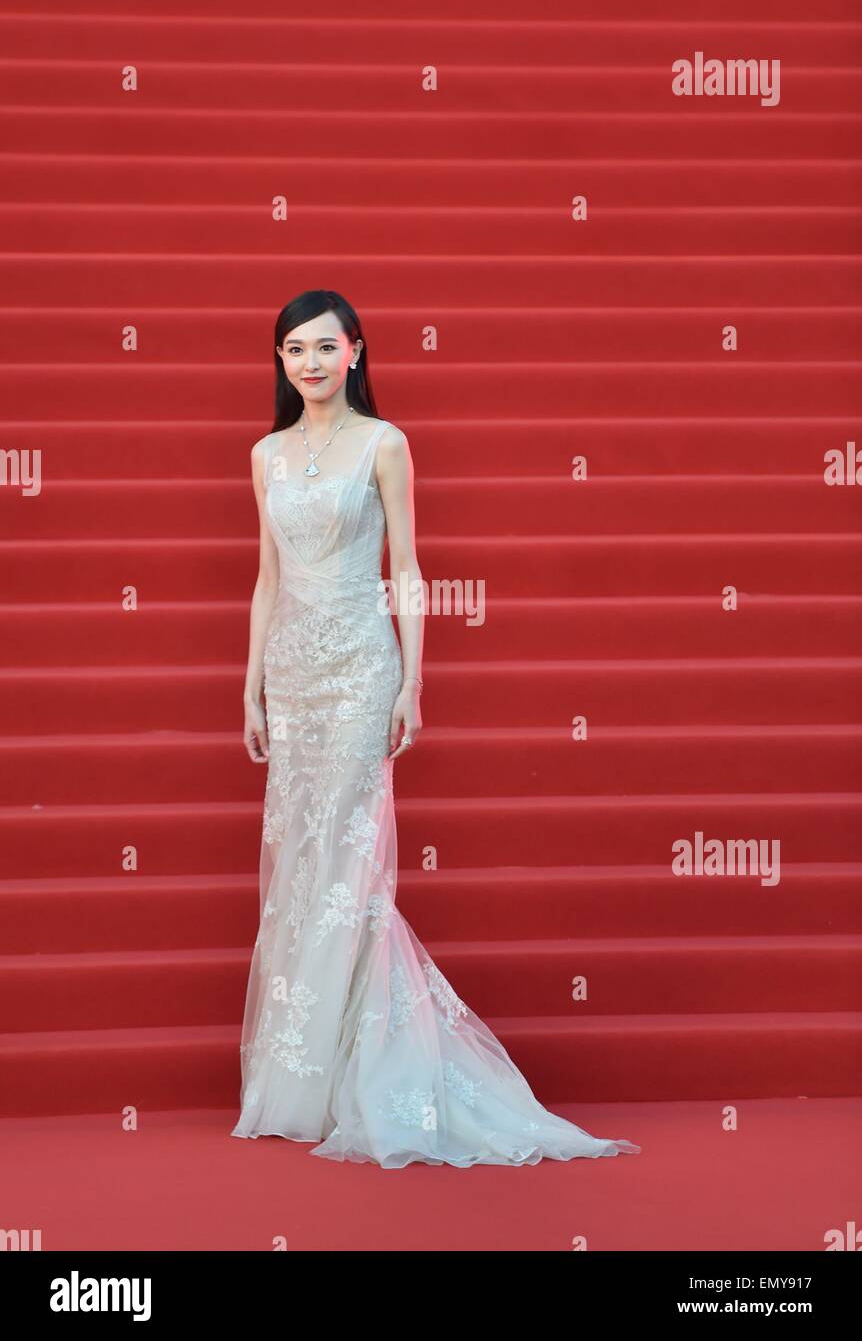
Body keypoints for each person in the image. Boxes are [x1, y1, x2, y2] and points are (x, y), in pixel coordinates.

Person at [230, 290, 641, 1168]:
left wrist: (413, 681)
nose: (308, 363)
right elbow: (266, 578)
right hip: (296, 677)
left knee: (353, 868)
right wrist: (252, 684)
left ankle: (372, 1071)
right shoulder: (263, 455)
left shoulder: (385, 444)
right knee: (302, 863)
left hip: (361, 670)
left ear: (356, 353)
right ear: (280, 361)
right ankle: (300, 1079)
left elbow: (407, 571)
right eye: (293, 349)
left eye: (324, 347)